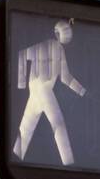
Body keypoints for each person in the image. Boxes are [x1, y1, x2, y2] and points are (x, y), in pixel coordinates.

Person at [11, 19, 86, 166]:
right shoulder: (44, 46)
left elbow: (65, 77)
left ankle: (16, 159)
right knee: (58, 125)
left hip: (39, 92)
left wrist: (81, 91)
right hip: (41, 89)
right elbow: (21, 55)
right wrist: (21, 84)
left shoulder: (59, 50)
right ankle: (69, 164)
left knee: (26, 129)